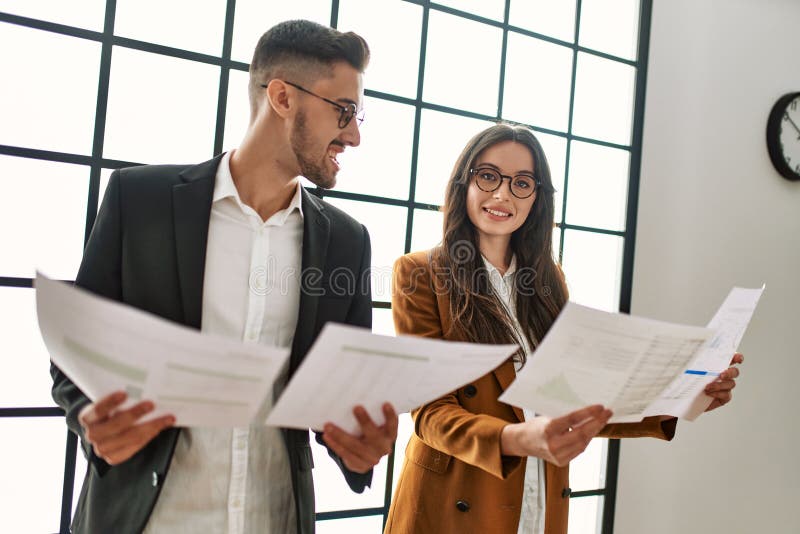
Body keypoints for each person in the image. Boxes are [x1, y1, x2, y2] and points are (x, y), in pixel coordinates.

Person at [50, 20, 398, 534]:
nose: (354, 135)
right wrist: (91, 421)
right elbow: (73, 359)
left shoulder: (347, 241)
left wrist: (361, 449)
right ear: (282, 96)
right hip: (147, 519)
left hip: (274, 518)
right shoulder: (139, 200)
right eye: (344, 112)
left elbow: (340, 398)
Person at [384, 123, 743, 534]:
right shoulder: (419, 273)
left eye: (522, 183)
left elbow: (576, 396)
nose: (502, 194)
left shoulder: (548, 280)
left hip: (538, 497)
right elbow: (430, 412)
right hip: (453, 502)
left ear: (536, 198)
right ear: (463, 181)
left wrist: (682, 396)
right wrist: (516, 437)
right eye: (488, 176)